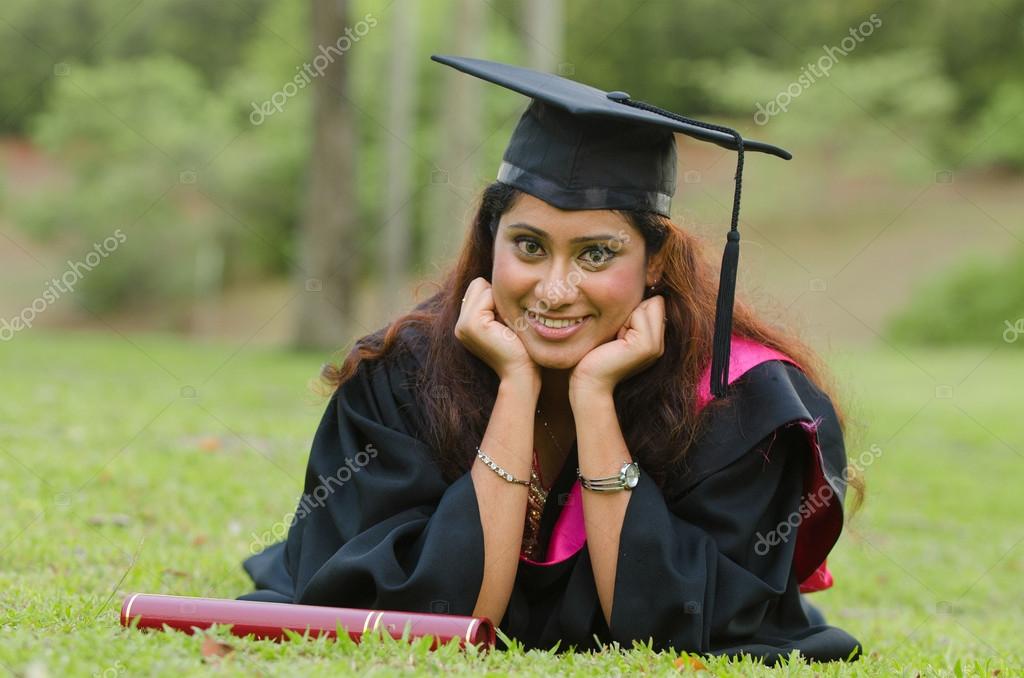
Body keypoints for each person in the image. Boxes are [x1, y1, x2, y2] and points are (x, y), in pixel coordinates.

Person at [238, 55, 864, 664]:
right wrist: (516, 385)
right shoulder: (402, 373)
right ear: (491, 243)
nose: (555, 290)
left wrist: (594, 401)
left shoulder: (739, 401)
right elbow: (440, 619)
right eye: (529, 246)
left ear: (653, 261)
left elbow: (671, 626)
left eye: (597, 254)